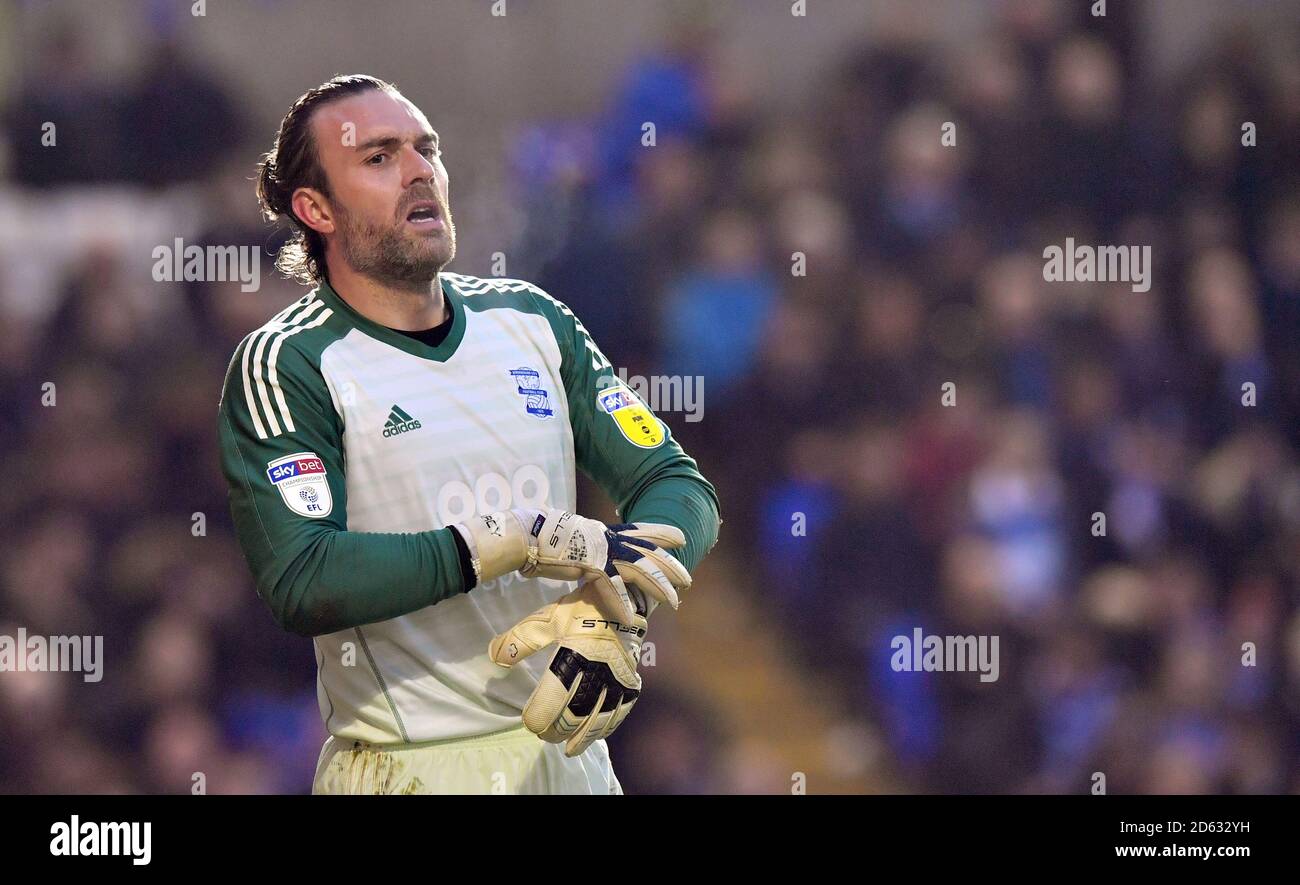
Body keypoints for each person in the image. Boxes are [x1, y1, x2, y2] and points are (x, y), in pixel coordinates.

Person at [217, 75, 720, 794]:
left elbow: (676, 485)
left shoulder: (532, 321)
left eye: (427, 150)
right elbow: (304, 577)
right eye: (380, 157)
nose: (420, 170)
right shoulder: (290, 361)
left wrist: (620, 604)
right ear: (314, 207)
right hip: (407, 765)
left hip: (570, 760)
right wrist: (501, 540)